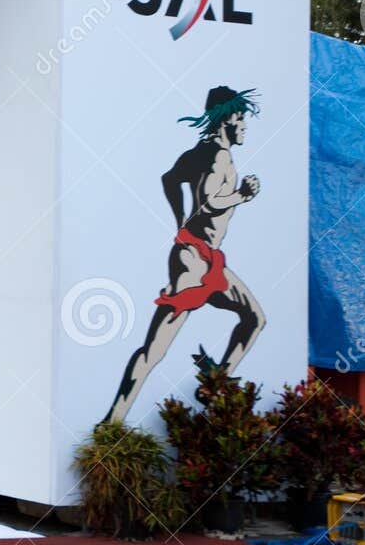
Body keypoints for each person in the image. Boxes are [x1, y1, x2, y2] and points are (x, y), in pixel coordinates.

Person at [106, 86, 266, 423]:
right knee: (155, 350)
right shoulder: (217, 155)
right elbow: (209, 200)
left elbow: (169, 179)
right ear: (228, 119)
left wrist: (180, 219)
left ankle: (215, 385)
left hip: (206, 257)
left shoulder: (199, 152)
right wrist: (242, 195)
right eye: (242, 119)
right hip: (194, 260)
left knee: (253, 317)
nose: (245, 126)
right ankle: (112, 421)